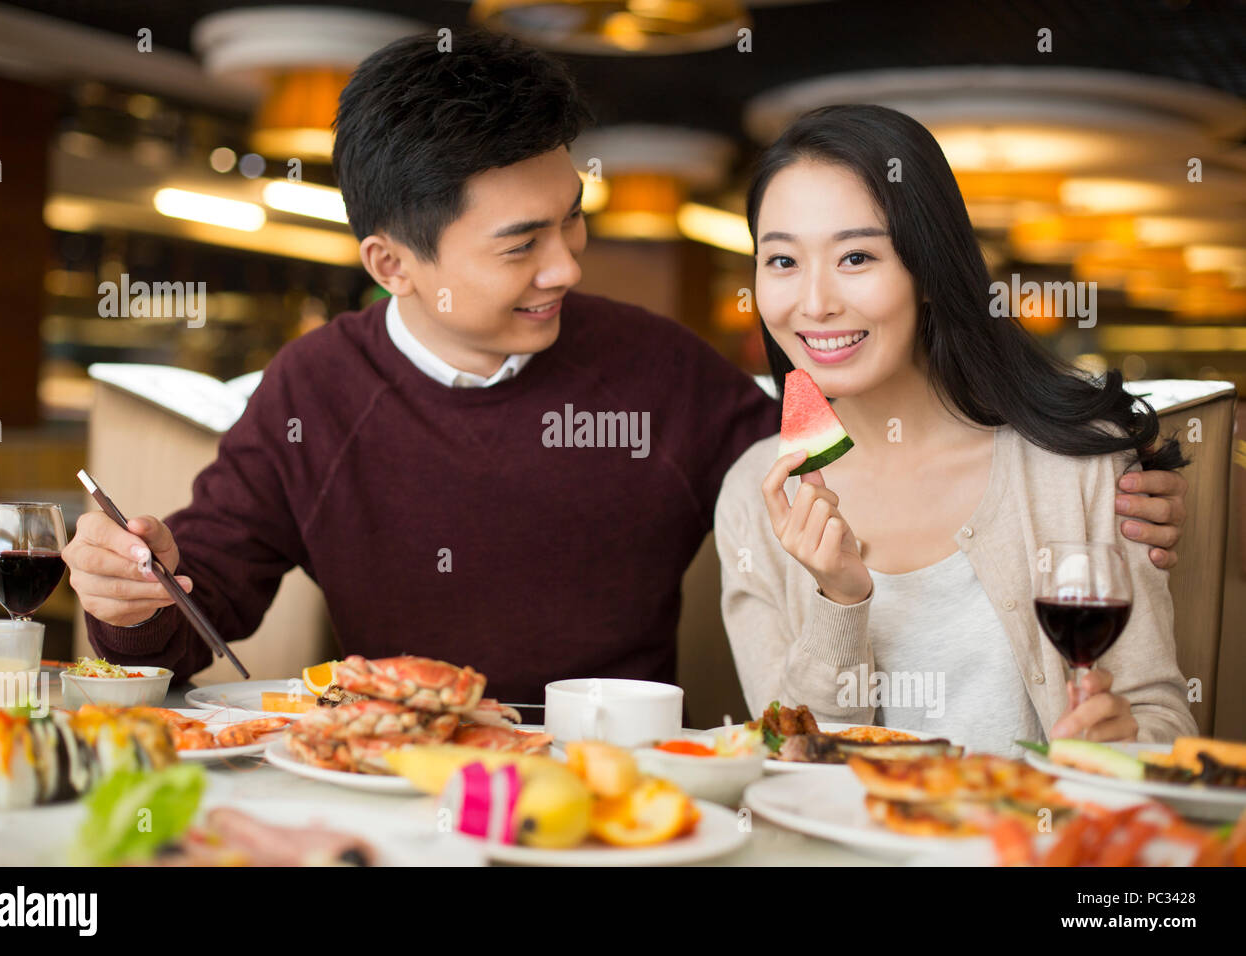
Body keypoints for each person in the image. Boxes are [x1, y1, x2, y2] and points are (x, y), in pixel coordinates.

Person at [61, 33, 1189, 710]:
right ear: (393, 264)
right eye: (520, 244)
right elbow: (187, 613)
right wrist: (128, 587)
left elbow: (838, 428)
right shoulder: (311, 391)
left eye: (574, 221)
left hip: (629, 797)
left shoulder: (659, 373)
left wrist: (1101, 466)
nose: (566, 267)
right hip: (397, 790)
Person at [716, 105, 1198, 755]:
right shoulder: (753, 495)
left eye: (856, 256)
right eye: (781, 262)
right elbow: (790, 759)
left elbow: (1165, 720)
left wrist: (1127, 738)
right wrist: (840, 598)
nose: (814, 301)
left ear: (930, 272)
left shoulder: (1077, 468)